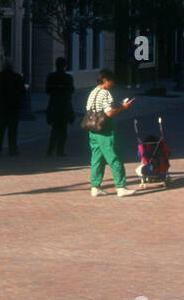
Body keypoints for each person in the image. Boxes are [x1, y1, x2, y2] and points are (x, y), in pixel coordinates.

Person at [84, 69, 135, 197]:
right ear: (106, 80)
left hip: (92, 128)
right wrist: (123, 107)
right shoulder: (106, 93)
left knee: (97, 158)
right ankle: (121, 187)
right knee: (114, 157)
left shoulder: (92, 92)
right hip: (105, 129)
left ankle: (95, 187)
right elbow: (109, 112)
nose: (112, 84)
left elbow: (89, 108)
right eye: (111, 81)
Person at [0, 58, 25, 157]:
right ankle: (12, 149)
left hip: (1, 106)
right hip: (13, 106)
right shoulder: (17, 77)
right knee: (12, 129)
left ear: (3, 66)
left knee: (0, 128)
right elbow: (22, 92)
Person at [44, 57, 75, 157]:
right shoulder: (68, 78)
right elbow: (71, 90)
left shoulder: (51, 76)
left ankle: (50, 148)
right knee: (63, 130)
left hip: (54, 104)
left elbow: (47, 90)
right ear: (65, 66)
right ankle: (60, 150)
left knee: (54, 129)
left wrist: (56, 89)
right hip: (64, 105)